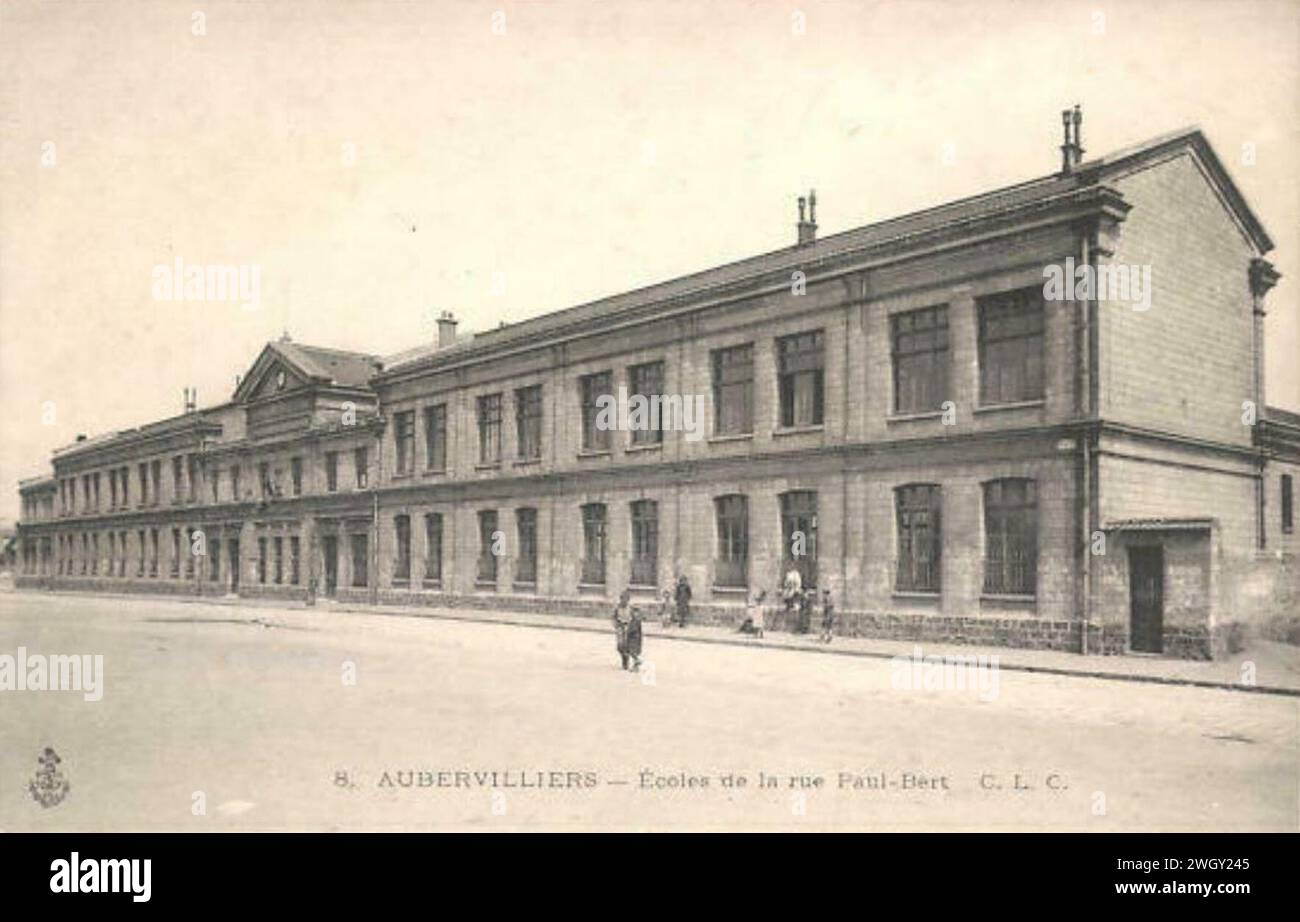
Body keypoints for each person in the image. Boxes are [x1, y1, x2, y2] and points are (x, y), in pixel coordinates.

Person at [612, 590, 642, 671]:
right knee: (620, 645)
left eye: (626, 599)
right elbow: (614, 618)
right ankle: (625, 658)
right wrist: (617, 625)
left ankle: (630, 661)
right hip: (621, 627)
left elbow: (636, 620)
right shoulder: (617, 608)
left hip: (629, 628)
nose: (624, 601)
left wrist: (631, 627)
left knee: (628, 646)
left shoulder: (631, 609)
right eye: (622, 599)